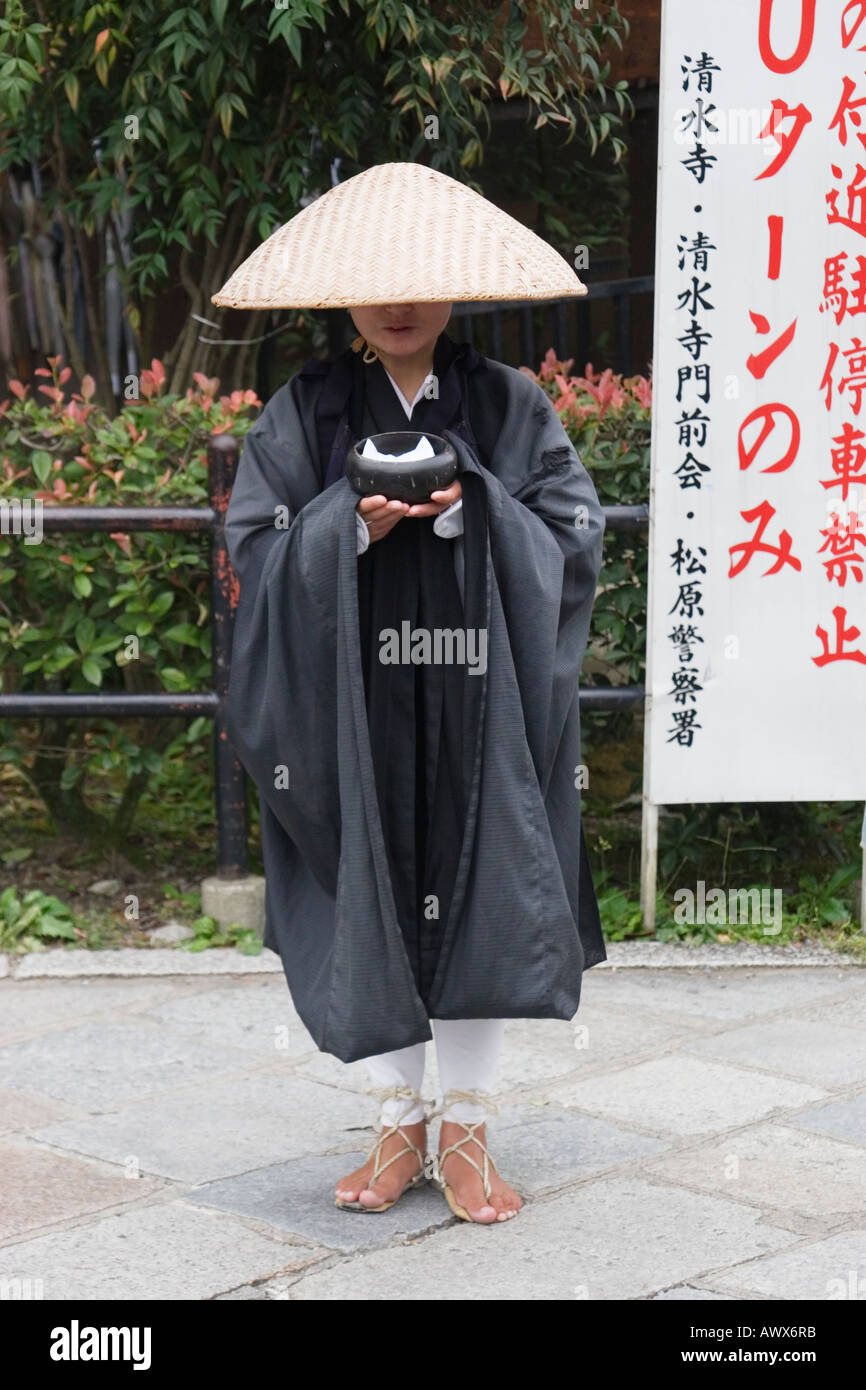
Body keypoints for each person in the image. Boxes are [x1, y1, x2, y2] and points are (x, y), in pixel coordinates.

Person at [216, 163, 607, 1226]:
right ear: (343, 291)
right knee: (366, 890)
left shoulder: (501, 400)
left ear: (455, 284)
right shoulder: (307, 408)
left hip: (479, 699)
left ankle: (468, 1126)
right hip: (350, 705)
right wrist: (343, 529)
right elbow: (251, 545)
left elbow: (573, 529)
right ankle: (395, 1121)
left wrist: (468, 510)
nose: (397, 304)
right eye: (374, 283)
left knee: (479, 890)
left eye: (419, 280)